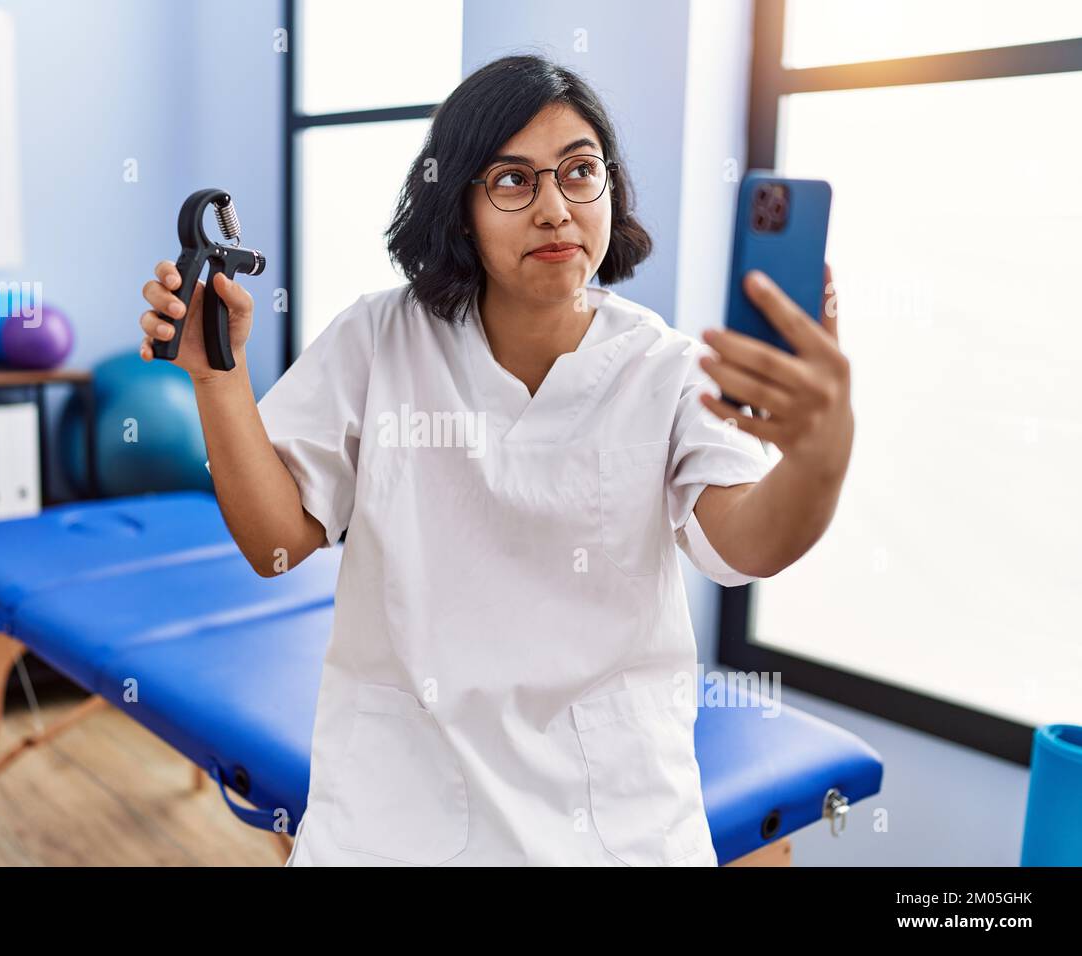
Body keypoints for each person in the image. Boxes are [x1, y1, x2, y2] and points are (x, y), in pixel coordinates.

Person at [137, 55, 854, 866]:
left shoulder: (666, 369)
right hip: (396, 814)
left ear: (610, 190)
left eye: (580, 172)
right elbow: (276, 543)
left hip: (613, 822)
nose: (555, 208)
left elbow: (744, 545)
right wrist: (214, 375)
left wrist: (821, 454)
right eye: (513, 182)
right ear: (460, 208)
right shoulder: (380, 339)